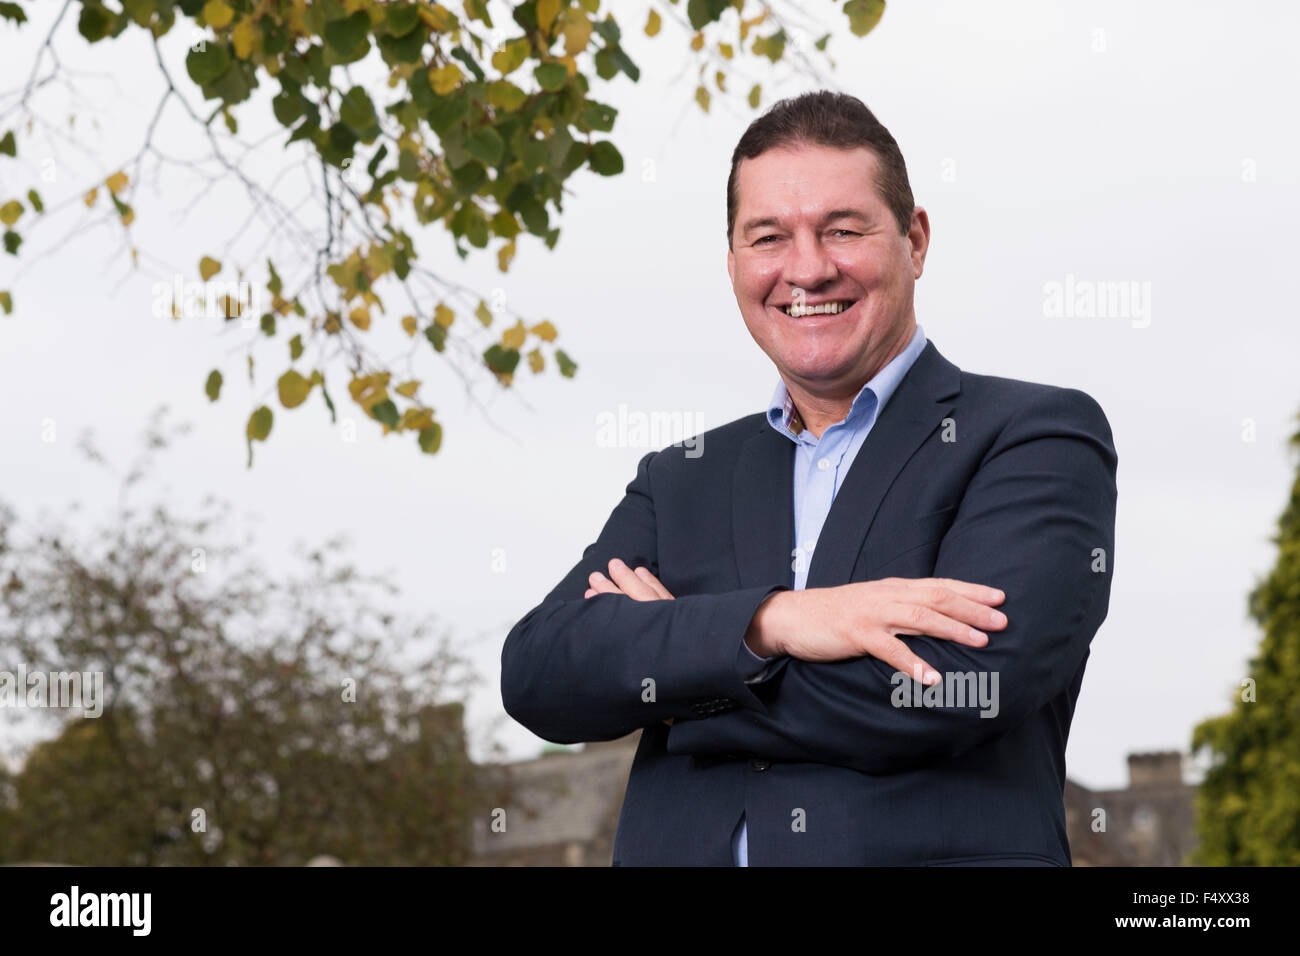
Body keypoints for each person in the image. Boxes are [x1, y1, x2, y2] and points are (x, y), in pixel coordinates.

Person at [501, 90, 1118, 866]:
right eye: (768, 237)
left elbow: (963, 687)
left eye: (842, 230)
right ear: (732, 263)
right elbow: (540, 672)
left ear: (915, 240)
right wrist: (775, 623)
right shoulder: (682, 476)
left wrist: (683, 670)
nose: (807, 269)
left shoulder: (1032, 437)